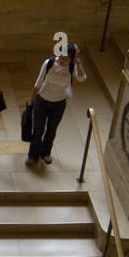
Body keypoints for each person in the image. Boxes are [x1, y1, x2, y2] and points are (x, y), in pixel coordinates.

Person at [26, 40, 86, 168]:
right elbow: (38, 82)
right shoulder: (49, 63)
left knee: (51, 130)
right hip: (42, 101)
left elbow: (82, 78)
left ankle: (46, 152)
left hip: (58, 104)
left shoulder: (71, 67)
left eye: (68, 58)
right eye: (62, 57)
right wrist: (31, 99)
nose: (62, 61)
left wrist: (79, 63)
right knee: (38, 130)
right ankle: (33, 155)